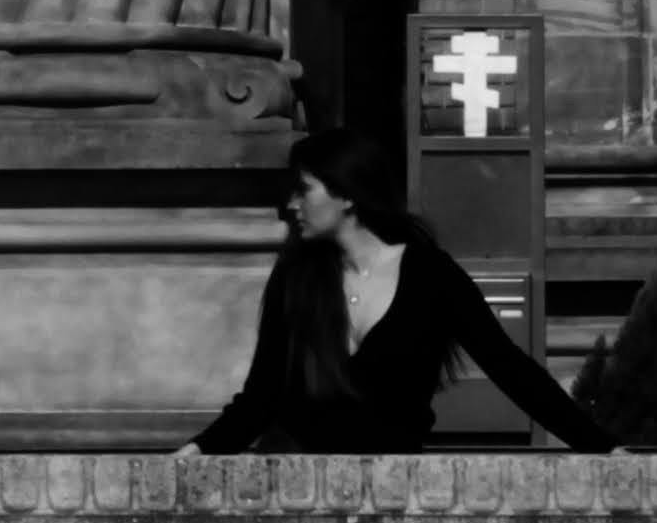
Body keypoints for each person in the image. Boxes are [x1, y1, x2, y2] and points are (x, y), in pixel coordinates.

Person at [190, 123, 612, 453]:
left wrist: (601, 448)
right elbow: (260, 398)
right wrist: (193, 453)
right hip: (305, 494)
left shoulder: (431, 276)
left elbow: (512, 369)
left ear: (346, 194)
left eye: (304, 190)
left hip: (397, 496)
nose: (291, 205)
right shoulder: (295, 278)